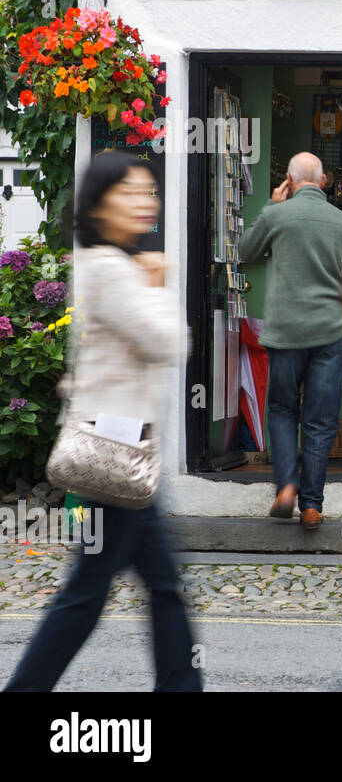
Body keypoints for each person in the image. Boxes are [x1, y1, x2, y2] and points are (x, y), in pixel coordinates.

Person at [5, 151, 201, 692]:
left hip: (122, 454)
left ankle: (182, 684)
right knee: (93, 594)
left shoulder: (111, 263)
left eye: (149, 191)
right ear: (99, 202)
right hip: (116, 458)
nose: (147, 202)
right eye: (131, 191)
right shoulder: (112, 268)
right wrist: (160, 287)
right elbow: (168, 343)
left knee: (152, 584)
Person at [239, 152, 342, 529]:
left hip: (286, 332)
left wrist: (270, 207)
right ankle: (312, 504)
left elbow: (244, 252)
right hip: (329, 332)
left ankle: (287, 485)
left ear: (288, 183)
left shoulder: (277, 216)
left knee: (281, 410)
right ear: (324, 180)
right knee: (321, 420)